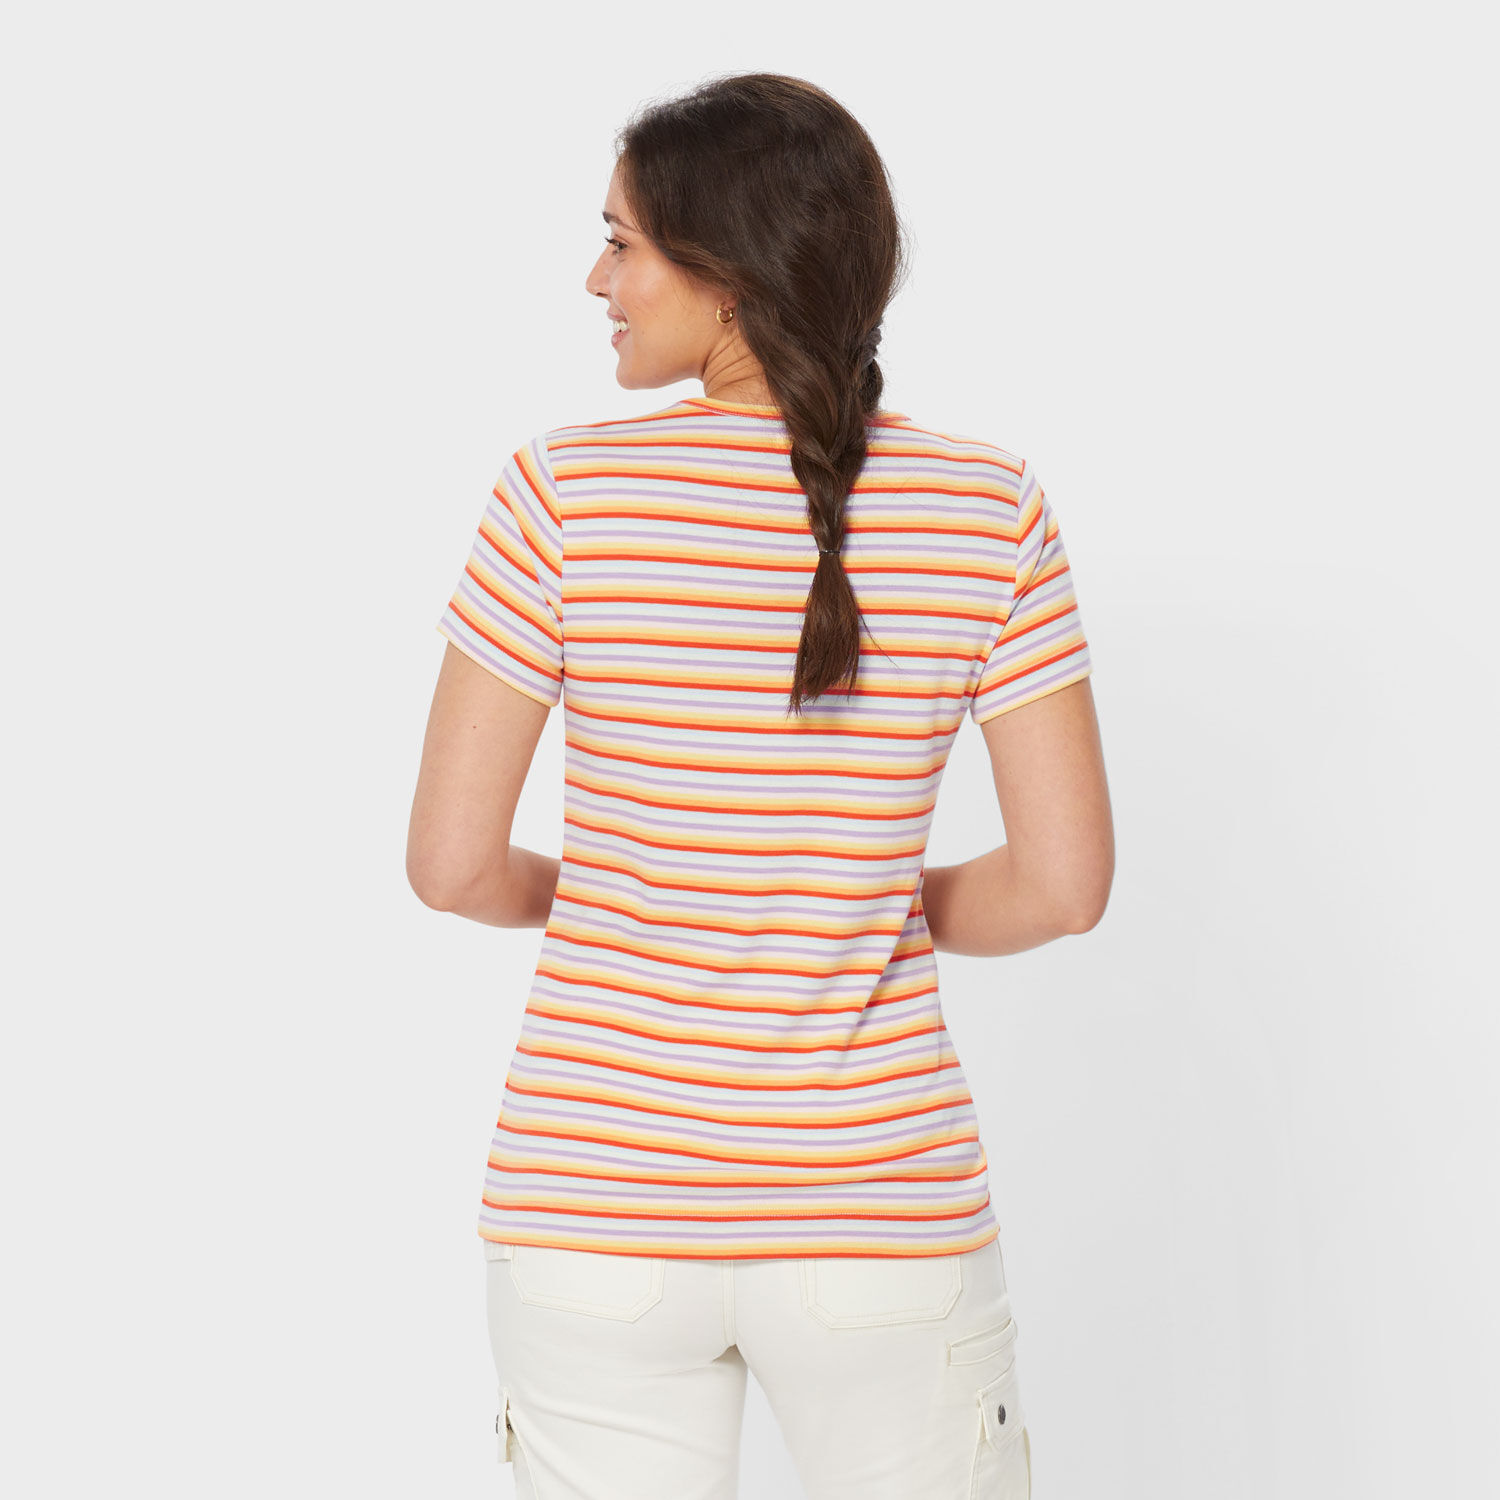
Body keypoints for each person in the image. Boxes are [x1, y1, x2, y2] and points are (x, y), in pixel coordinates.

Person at [407, 71, 1113, 1500]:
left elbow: (453, 866)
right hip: (876, 1212)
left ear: (724, 275)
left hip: (595, 1207)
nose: (595, 280)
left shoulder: (558, 496)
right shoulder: (991, 507)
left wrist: (631, 892)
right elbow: (1061, 886)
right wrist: (857, 901)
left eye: (621, 244)